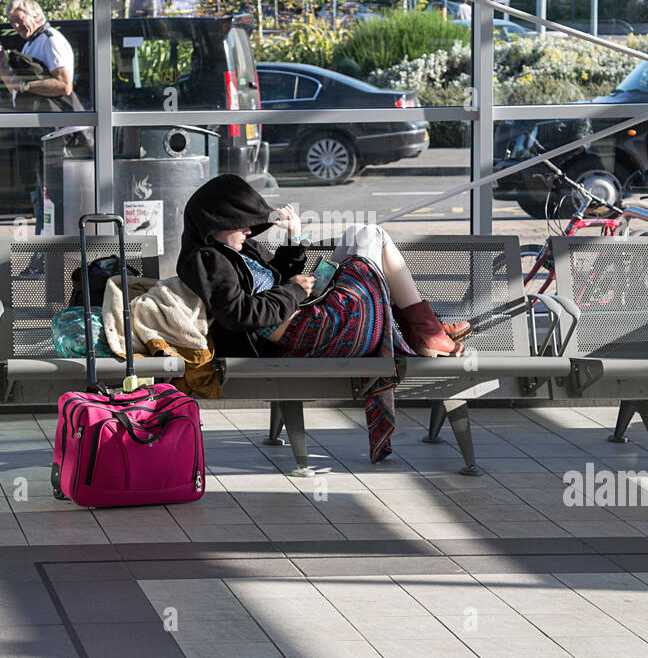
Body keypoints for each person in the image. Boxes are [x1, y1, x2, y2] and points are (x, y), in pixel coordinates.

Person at [176, 174, 470, 463]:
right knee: (371, 235)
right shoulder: (207, 260)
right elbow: (241, 314)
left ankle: (426, 331)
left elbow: (276, 275)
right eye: (241, 224)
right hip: (310, 334)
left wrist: (293, 239)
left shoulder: (236, 249)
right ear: (216, 221)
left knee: (358, 232)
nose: (249, 231)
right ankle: (426, 331)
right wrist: (294, 291)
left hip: (313, 319)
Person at [0, 0, 77, 240]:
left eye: (19, 20)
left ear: (35, 14)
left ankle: (45, 254)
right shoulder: (29, 44)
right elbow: (15, 89)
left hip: (50, 131)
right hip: (32, 131)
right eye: (12, 23)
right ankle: (42, 253)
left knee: (48, 195)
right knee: (38, 194)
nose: (16, 27)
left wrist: (26, 85)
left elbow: (63, 84)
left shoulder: (51, 40)